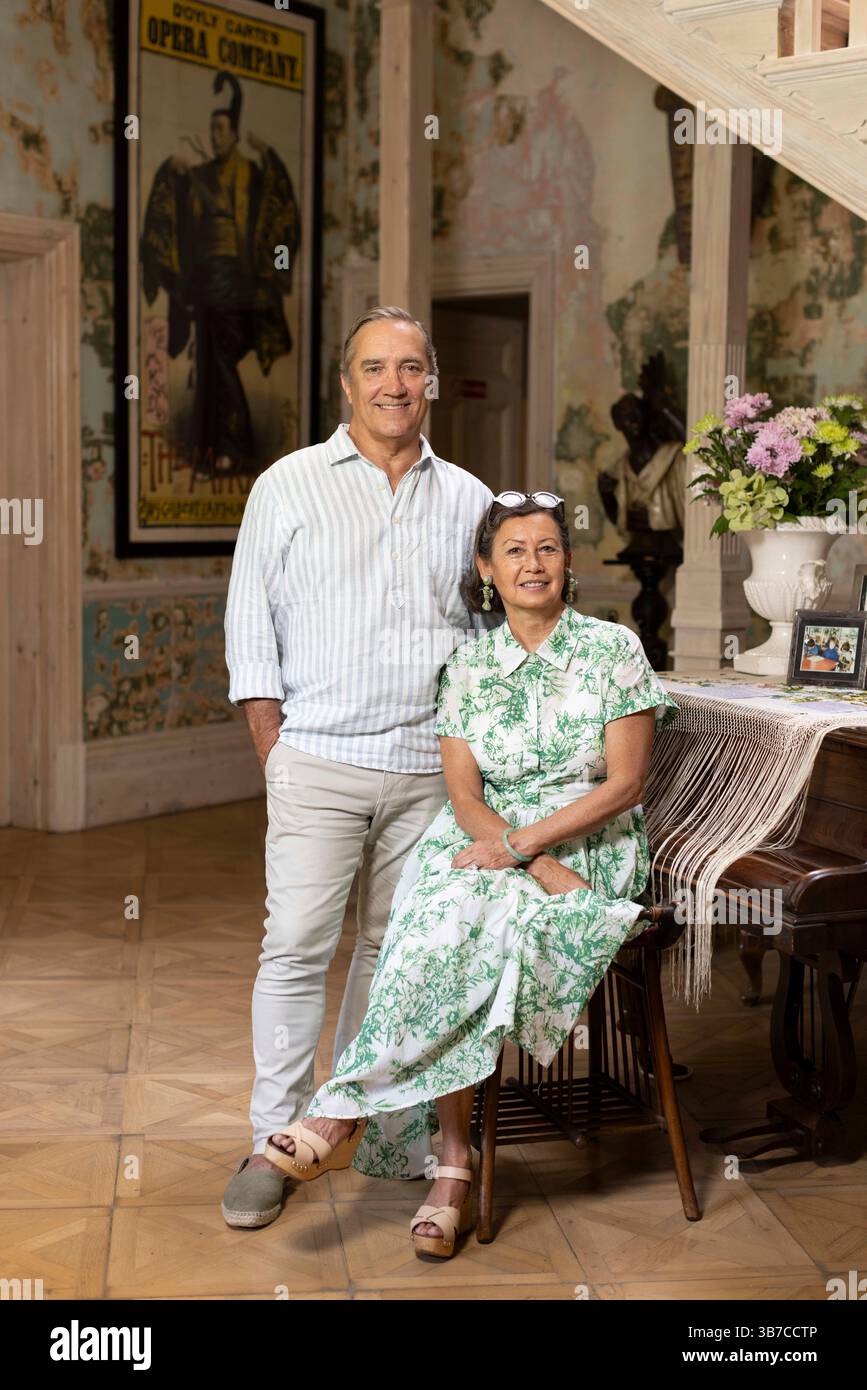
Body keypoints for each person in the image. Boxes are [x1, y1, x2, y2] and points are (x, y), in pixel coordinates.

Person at [264, 493, 679, 1258]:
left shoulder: (612, 649)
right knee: (443, 928)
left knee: (463, 926)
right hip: (486, 841)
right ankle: (446, 1159)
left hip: (585, 847)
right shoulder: (466, 667)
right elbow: (463, 798)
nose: (532, 563)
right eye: (514, 551)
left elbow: (624, 786)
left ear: (567, 562)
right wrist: (518, 852)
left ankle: (352, 1117)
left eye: (547, 548)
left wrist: (532, 851)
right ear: (487, 570)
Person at [221, 306, 494, 1228]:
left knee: (391, 953)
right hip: (319, 759)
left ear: (430, 381)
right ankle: (270, 1140)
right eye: (374, 368)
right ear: (347, 384)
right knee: (296, 947)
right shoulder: (288, 484)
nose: (393, 384)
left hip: (427, 771)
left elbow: (485, 634)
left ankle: (352, 1124)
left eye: (410, 367)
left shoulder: (467, 497)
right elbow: (249, 622)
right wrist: (276, 749)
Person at [141, 70, 300, 478]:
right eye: (211, 129)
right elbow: (174, 213)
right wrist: (172, 169)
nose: (214, 136)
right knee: (211, 364)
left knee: (219, 360)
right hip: (205, 283)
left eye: (221, 129)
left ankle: (233, 447)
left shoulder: (251, 174)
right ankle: (216, 452)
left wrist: (270, 156)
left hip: (238, 284)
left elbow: (279, 210)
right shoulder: (201, 174)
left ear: (234, 133)